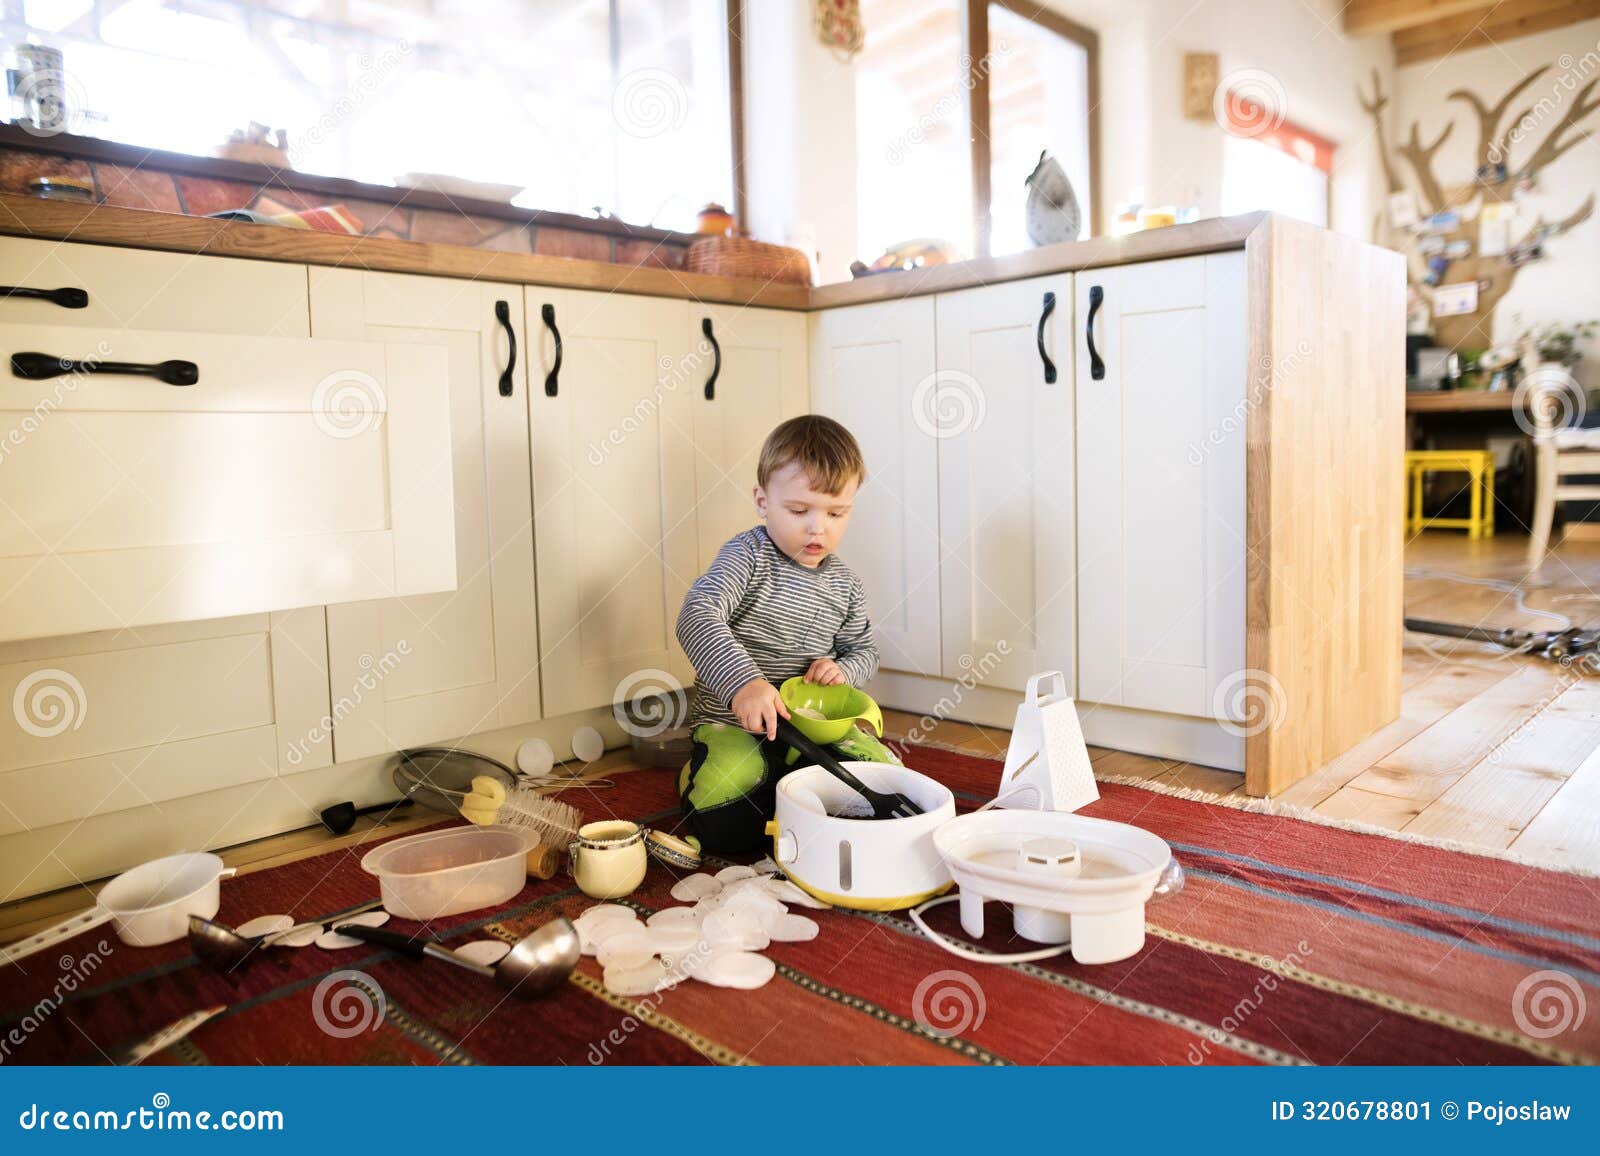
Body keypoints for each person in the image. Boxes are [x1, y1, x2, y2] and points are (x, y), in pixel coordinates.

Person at [675, 415, 901, 854]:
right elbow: (697, 614)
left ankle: (785, 778)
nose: (819, 528)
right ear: (763, 500)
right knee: (727, 830)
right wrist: (745, 683)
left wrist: (843, 669)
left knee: (882, 778)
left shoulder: (846, 585)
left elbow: (864, 650)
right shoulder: (748, 556)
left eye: (837, 513)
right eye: (799, 511)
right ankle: (702, 772)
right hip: (731, 725)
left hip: (808, 729)